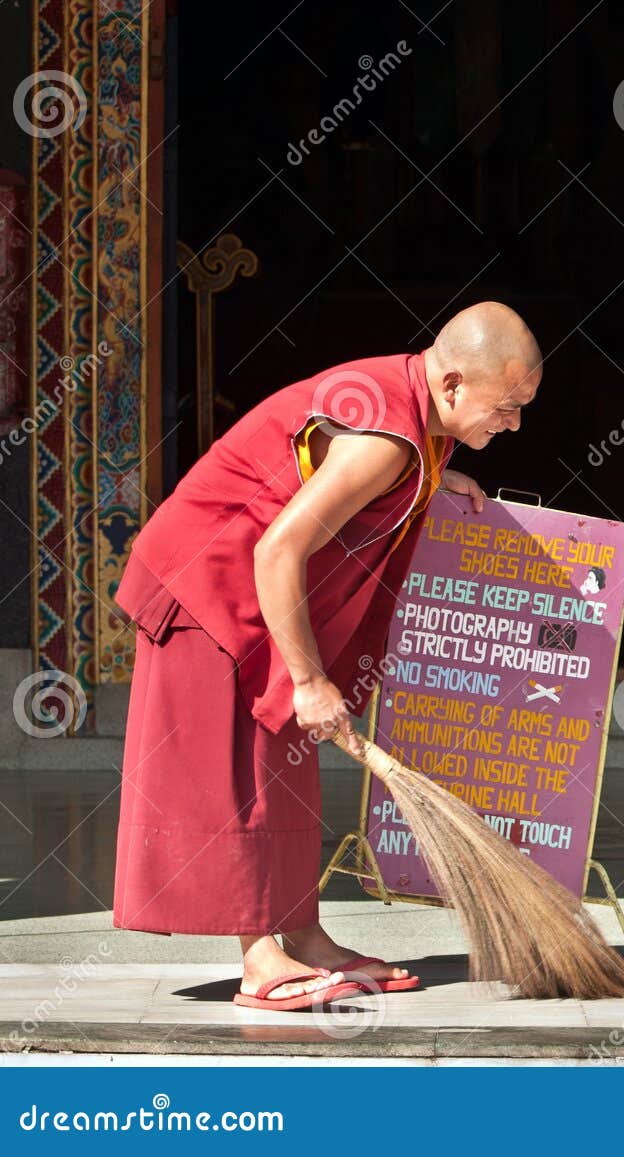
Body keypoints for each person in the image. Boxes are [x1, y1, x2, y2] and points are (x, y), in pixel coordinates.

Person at [113, 302, 541, 1009]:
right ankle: (259, 959)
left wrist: (434, 483)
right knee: (239, 772)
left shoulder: (418, 424)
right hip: (207, 584)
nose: (515, 422)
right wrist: (309, 678)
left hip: (255, 594)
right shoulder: (388, 439)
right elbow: (278, 546)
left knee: (287, 769)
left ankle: (304, 934)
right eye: (509, 404)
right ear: (456, 384)